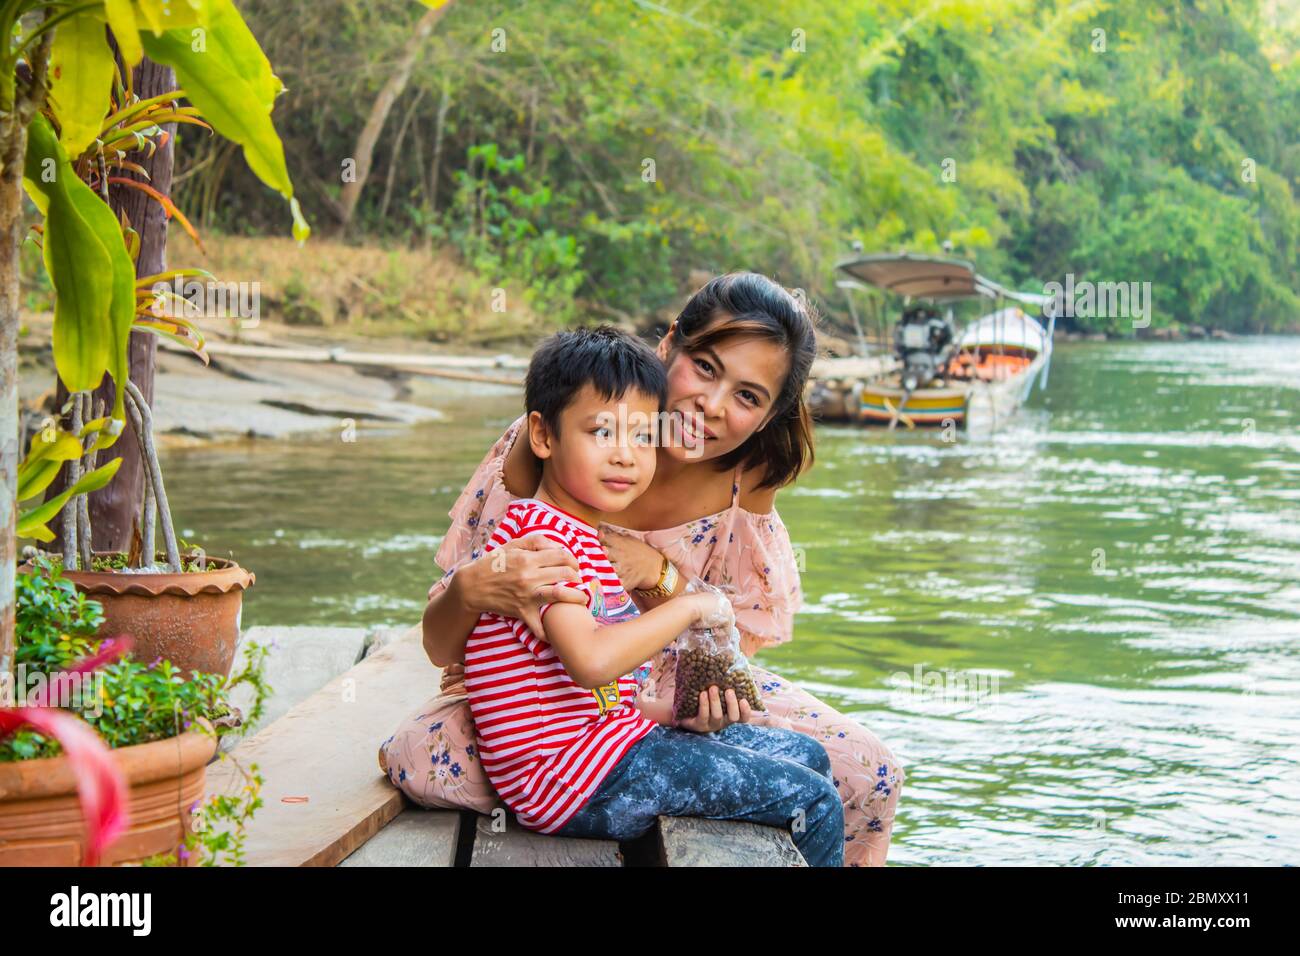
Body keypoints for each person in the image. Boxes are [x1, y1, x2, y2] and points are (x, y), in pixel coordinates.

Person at [379, 272, 906, 866]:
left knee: (869, 770)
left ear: (767, 415)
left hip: (662, 684)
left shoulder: (746, 477)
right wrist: (472, 587)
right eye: (705, 367)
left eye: (747, 396)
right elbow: (458, 643)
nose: (711, 405)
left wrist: (658, 576)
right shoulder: (564, 438)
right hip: (552, 699)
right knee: (421, 752)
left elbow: (734, 640)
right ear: (670, 344)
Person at [460, 325, 843, 865]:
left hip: (606, 747)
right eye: (602, 433)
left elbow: (597, 697)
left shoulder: (584, 533)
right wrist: (690, 605)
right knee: (815, 801)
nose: (626, 457)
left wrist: (670, 714)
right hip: (567, 780)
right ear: (543, 437)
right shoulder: (548, 544)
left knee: (808, 755)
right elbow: (591, 662)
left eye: (642, 437)